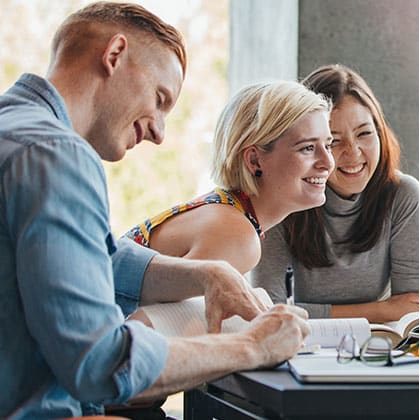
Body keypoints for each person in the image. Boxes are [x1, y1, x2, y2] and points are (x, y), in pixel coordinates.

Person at [0, 3, 310, 418]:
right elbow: (101, 365)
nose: (159, 133)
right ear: (114, 55)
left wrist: (206, 273)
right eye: (160, 99)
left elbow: (95, 258)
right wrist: (251, 346)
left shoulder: (16, 130)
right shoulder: (57, 155)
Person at [251, 64, 419, 323]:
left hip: (379, 350)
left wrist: (391, 312)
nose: (353, 152)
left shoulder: (403, 195)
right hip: (298, 349)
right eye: (333, 141)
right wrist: (381, 310)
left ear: (381, 133)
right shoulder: (282, 197)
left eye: (364, 133)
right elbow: (269, 311)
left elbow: (411, 311)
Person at [125, 81, 334, 275]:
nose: (328, 162)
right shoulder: (236, 236)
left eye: (328, 145)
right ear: (254, 160)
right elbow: (144, 315)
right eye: (307, 148)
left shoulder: (229, 212)